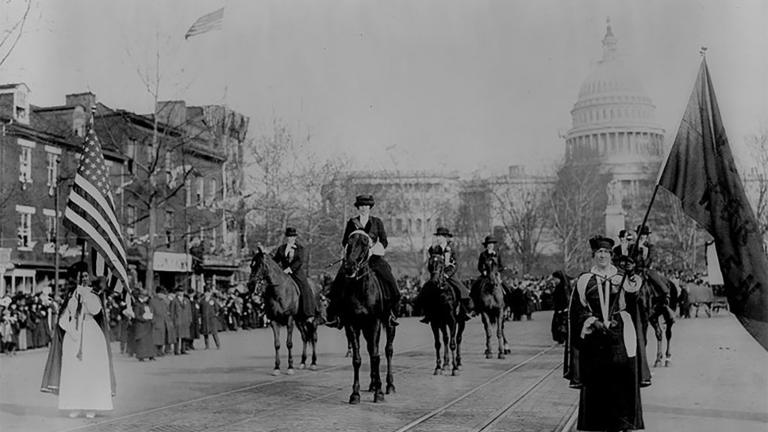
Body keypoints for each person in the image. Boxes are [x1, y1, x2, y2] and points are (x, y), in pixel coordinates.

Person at [566, 235, 647, 432]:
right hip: (596, 336)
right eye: (599, 252)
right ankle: (598, 424)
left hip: (620, 334)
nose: (602, 256)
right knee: (598, 381)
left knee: (622, 379)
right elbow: (578, 309)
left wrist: (631, 272)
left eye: (606, 253)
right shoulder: (584, 280)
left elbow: (634, 297)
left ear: (611, 256)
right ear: (594, 256)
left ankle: (624, 423)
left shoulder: (622, 277)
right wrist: (592, 321)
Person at [42, 263, 115, 418]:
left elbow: (95, 310)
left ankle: (91, 406)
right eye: (80, 276)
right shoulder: (71, 295)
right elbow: (64, 315)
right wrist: (69, 328)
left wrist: (86, 295)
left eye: (85, 276)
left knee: (90, 370)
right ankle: (74, 404)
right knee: (73, 371)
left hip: (90, 334)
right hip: (73, 335)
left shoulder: (94, 294)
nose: (83, 279)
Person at [325, 194, 400, 328]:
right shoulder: (352, 222)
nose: (364, 208)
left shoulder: (377, 222)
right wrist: (351, 252)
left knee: (389, 279)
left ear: (370, 207)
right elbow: (345, 241)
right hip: (355, 259)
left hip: (374, 258)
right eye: (361, 206)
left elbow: (384, 241)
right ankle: (336, 316)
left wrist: (373, 248)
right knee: (338, 282)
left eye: (366, 206)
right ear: (358, 208)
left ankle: (390, 313)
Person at [418, 227, 472, 323]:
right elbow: (431, 261)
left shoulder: (451, 249)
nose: (438, 238)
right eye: (437, 236)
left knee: (462, 290)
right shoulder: (434, 249)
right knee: (425, 291)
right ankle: (428, 314)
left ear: (445, 238)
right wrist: (434, 273)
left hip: (449, 276)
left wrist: (447, 275)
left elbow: (455, 265)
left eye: (440, 236)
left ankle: (464, 312)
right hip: (437, 275)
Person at [272, 227, 318, 322]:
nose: (290, 238)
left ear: (295, 238)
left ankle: (309, 313)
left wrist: (290, 269)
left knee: (305, 287)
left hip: (296, 272)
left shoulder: (300, 248)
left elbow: (300, 261)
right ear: (286, 237)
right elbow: (276, 260)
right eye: (289, 236)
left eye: (292, 237)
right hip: (284, 273)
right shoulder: (281, 248)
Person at [133, 289, 155, 361]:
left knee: (149, 341)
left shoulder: (146, 304)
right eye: (146, 296)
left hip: (147, 325)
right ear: (142, 296)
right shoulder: (137, 304)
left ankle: (150, 355)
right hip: (141, 325)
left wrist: (150, 317)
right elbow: (137, 316)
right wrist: (144, 318)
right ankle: (141, 356)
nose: (147, 298)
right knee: (141, 342)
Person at [170, 286, 192, 355]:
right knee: (177, 336)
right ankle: (176, 350)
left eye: (182, 291)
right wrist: (172, 320)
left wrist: (190, 319)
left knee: (184, 336)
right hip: (177, 320)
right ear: (176, 292)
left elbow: (189, 310)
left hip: (185, 320)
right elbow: (172, 311)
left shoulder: (187, 300)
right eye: (179, 291)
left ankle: (183, 349)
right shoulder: (174, 301)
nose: (180, 293)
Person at [550, 270, 570, 344]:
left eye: (554, 279)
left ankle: (562, 339)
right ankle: (561, 339)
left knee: (560, 326)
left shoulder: (563, 287)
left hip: (562, 310)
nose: (554, 280)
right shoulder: (560, 286)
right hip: (559, 310)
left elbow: (565, 299)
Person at [200, 284, 221, 349]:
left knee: (214, 332)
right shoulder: (202, 300)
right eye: (205, 292)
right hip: (205, 318)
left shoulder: (213, 299)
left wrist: (216, 314)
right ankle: (207, 345)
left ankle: (218, 344)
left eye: (208, 292)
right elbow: (200, 309)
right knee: (205, 332)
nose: (207, 293)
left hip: (212, 318)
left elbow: (217, 308)